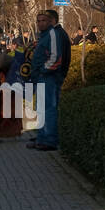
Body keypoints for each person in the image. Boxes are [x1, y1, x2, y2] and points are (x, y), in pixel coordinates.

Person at [29, 8, 71, 152]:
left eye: (43, 20)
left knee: (49, 109)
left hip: (49, 78)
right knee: (41, 110)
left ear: (51, 21)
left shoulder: (53, 34)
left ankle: (49, 140)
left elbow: (55, 57)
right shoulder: (44, 35)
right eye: (38, 21)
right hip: (41, 77)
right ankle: (41, 138)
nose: (40, 23)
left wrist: (43, 71)